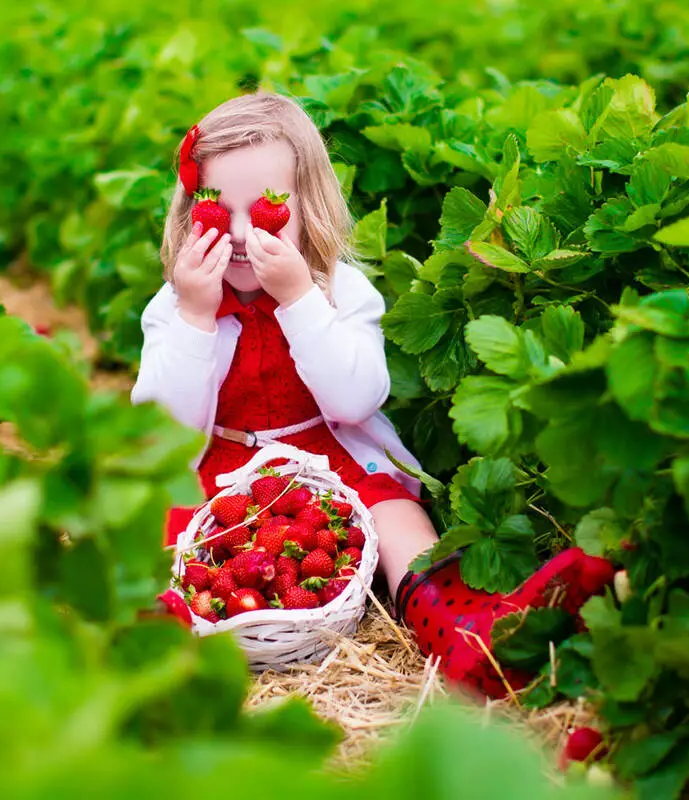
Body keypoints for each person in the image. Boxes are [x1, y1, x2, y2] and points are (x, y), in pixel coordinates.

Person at [131, 92, 615, 699]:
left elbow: (357, 399)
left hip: (327, 456)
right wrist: (196, 318)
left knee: (398, 514)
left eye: (268, 207)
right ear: (187, 213)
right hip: (223, 470)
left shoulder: (339, 289)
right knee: (165, 523)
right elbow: (160, 430)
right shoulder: (175, 306)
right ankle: (161, 625)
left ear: (310, 206)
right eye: (214, 209)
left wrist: (300, 300)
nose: (239, 233)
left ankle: (465, 630)